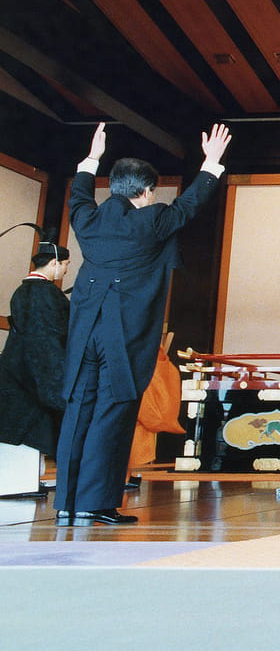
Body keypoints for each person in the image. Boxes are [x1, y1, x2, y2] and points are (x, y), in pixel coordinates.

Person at [55, 121, 230, 525]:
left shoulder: (88, 220)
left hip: (84, 332)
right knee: (113, 412)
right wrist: (212, 162)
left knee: (78, 409)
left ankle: (67, 501)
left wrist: (92, 157)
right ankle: (95, 503)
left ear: (114, 187)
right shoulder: (151, 221)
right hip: (121, 333)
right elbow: (189, 206)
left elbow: (79, 193)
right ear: (147, 191)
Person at [0, 238, 71, 496]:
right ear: (54, 263)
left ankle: (18, 482)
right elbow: (52, 340)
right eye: (64, 265)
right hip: (40, 373)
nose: (65, 271)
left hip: (15, 369)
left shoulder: (21, 291)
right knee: (36, 423)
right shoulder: (49, 294)